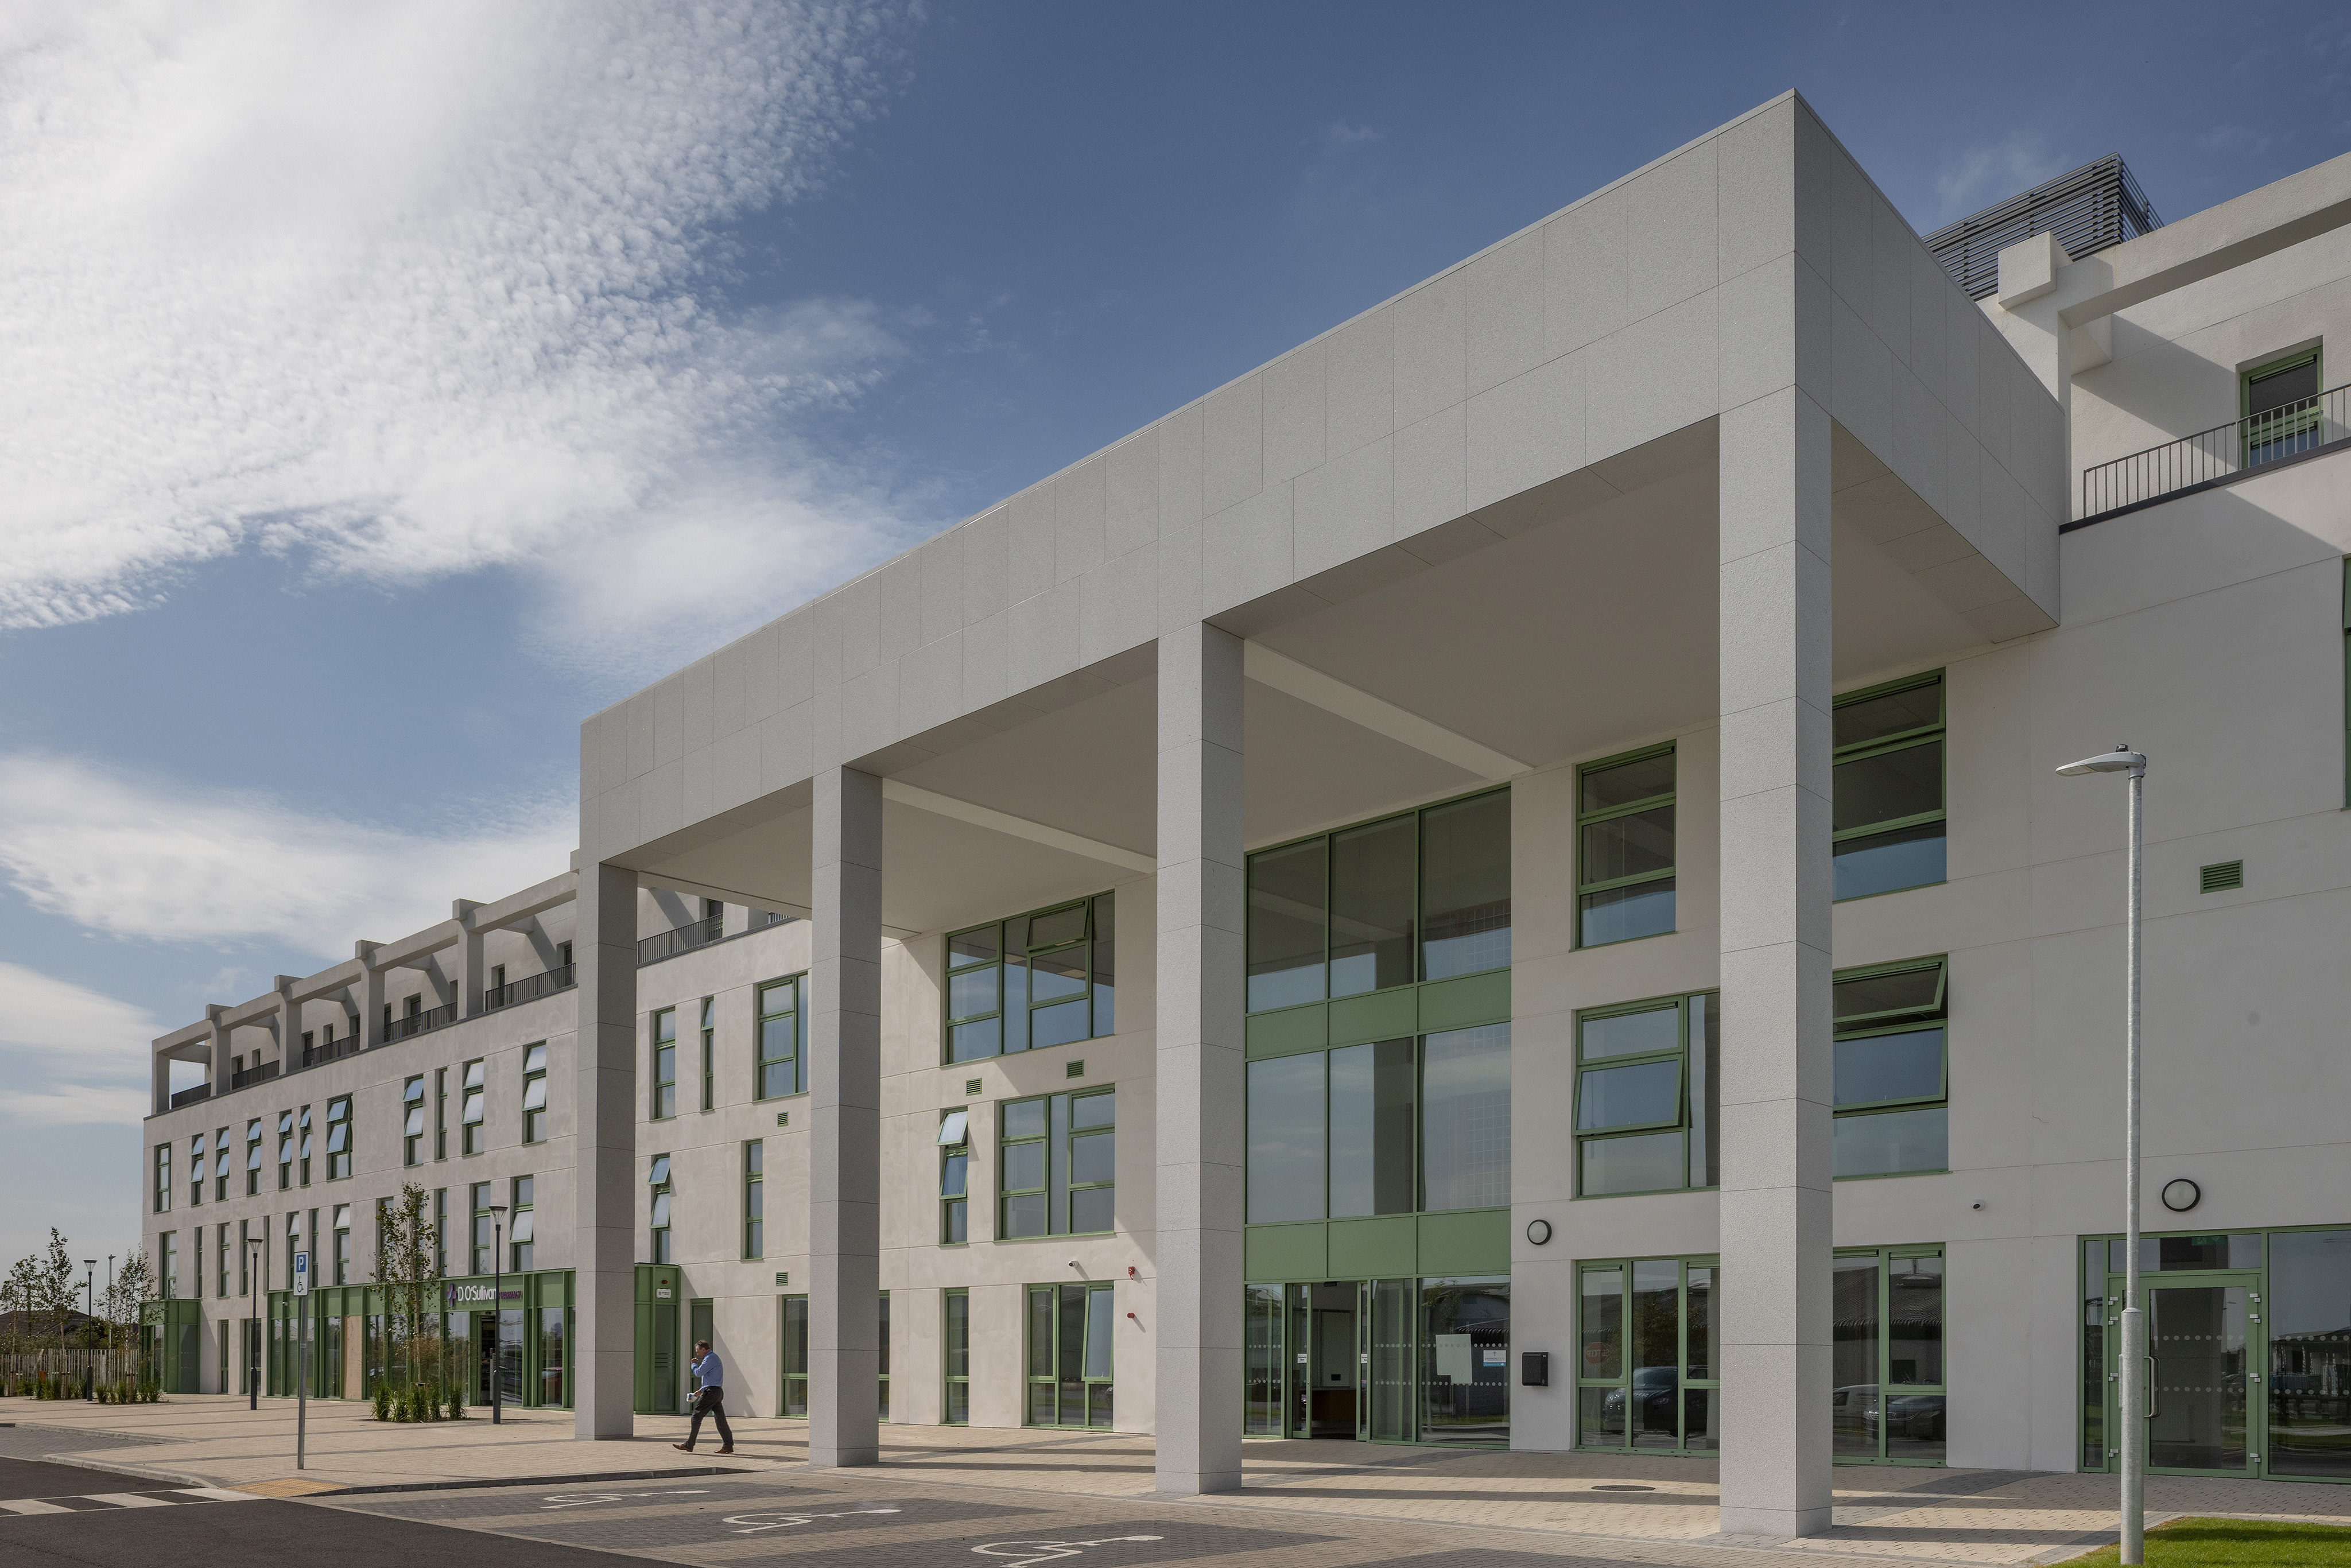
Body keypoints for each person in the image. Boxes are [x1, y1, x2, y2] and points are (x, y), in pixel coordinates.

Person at [674, 1339, 732, 1454]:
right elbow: (712, 1378)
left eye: (698, 1351)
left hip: (711, 1393)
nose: (698, 1354)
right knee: (720, 1420)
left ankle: (689, 1445)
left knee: (696, 1417)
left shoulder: (710, 1358)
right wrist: (701, 1390)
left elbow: (698, 1373)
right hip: (717, 1392)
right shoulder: (713, 1358)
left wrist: (694, 1364)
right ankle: (728, 1446)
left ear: (704, 1349)